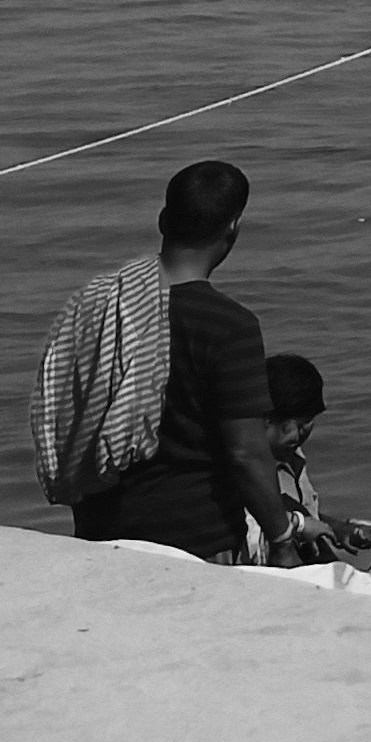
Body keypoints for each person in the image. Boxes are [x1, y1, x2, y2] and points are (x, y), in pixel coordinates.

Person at [64, 162, 290, 565]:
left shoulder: (98, 308)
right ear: (233, 228)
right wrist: (283, 537)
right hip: (196, 540)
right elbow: (246, 454)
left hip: (102, 534)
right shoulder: (229, 326)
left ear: (163, 219)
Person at [258, 354, 371, 568]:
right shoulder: (253, 468)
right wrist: (301, 525)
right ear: (266, 418)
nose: (295, 435)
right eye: (288, 424)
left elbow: (309, 513)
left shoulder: (294, 455)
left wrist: (337, 529)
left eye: (306, 423)